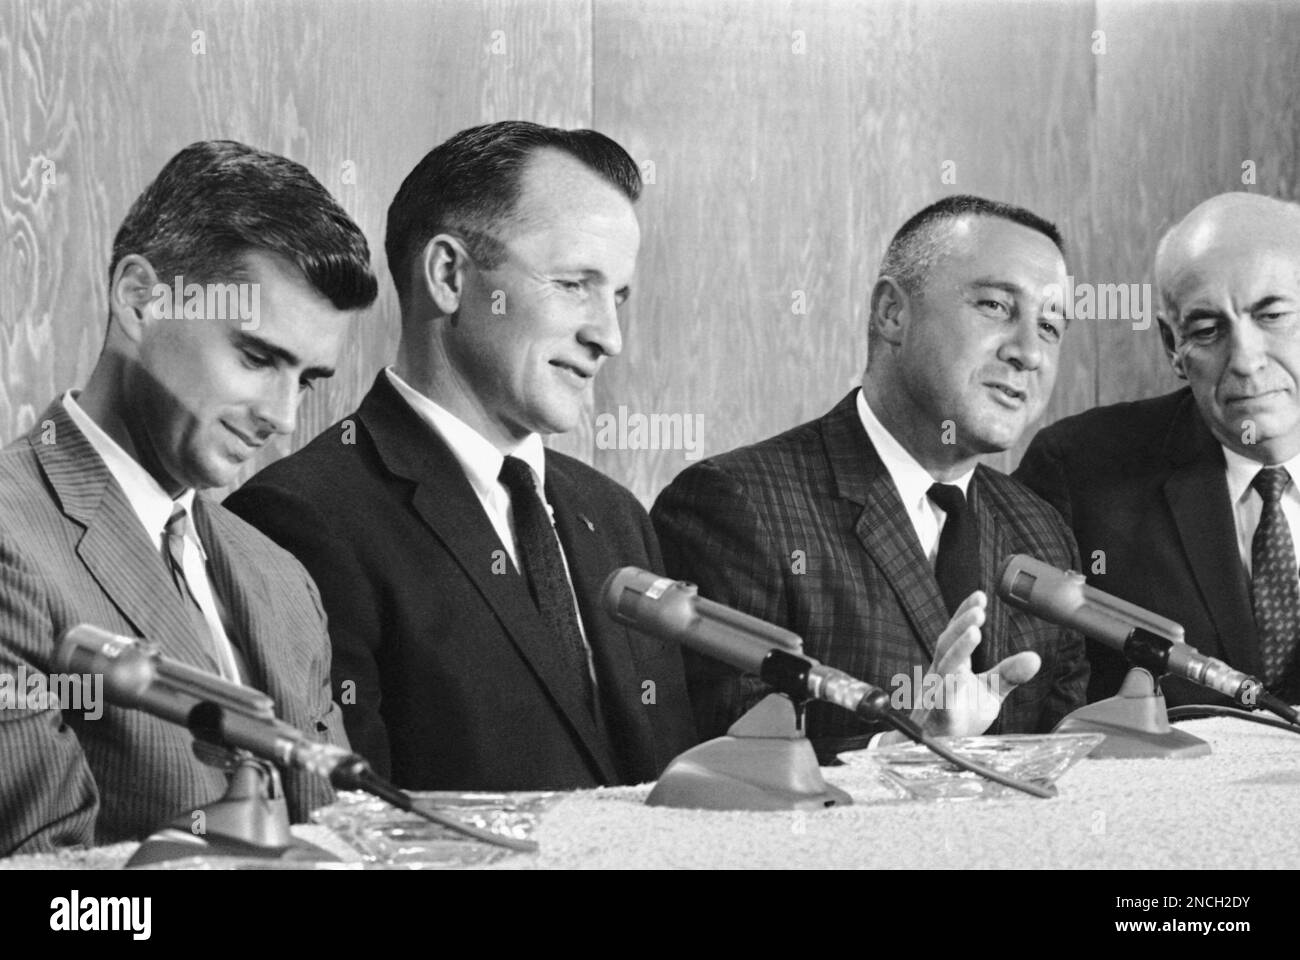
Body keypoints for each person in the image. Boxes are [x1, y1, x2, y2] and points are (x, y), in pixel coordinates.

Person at [226, 121, 696, 791]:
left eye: (617, 296)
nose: (609, 336)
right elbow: (352, 825)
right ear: (449, 275)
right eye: (573, 285)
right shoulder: (298, 522)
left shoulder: (617, 516)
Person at [0, 140, 377, 855]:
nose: (284, 416)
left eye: (307, 379)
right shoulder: (10, 543)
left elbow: (335, 838)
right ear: (140, 299)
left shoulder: (283, 580)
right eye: (258, 357)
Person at [652, 195, 1089, 754]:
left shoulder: (1042, 534)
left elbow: (1061, 758)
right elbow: (727, 762)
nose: (1029, 352)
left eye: (1050, 327)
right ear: (892, 313)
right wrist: (908, 747)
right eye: (996, 306)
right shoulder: (735, 504)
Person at [1016, 192, 1300, 706]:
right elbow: (1029, 702)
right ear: (1173, 347)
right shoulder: (1078, 470)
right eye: (1209, 330)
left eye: (1273, 315)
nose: (1245, 359)